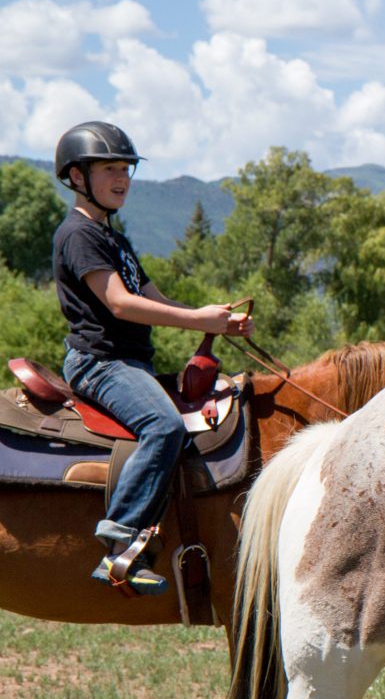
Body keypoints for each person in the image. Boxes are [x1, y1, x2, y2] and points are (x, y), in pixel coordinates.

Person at [52, 121, 254, 596]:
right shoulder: (79, 234)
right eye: (109, 169)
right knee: (164, 426)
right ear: (78, 177)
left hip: (129, 362)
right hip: (99, 362)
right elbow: (121, 303)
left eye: (126, 169)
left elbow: (153, 295)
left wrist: (213, 320)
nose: (122, 178)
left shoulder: (114, 239)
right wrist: (199, 321)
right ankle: (120, 539)